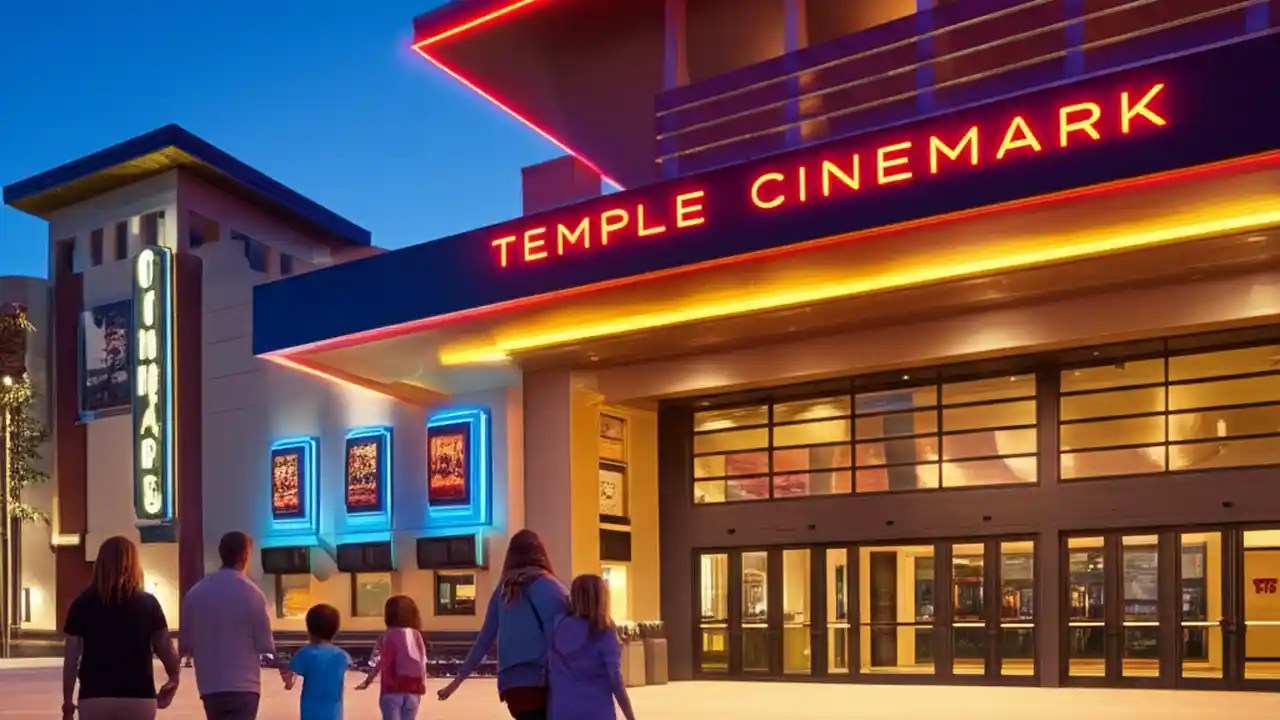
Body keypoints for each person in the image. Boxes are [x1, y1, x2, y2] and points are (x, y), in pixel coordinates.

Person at [438, 529, 569, 720]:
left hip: (512, 689)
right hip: (542, 683)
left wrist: (457, 681)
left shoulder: (502, 591)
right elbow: (565, 634)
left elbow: (484, 640)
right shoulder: (550, 586)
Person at [62, 536, 181, 720]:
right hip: (139, 698)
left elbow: (71, 659)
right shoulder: (149, 604)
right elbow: (166, 649)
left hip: (94, 698)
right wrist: (173, 678)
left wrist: (68, 703)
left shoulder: (81, 603)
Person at [180, 531, 275, 720]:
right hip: (244, 687)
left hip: (210, 686)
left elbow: (185, 644)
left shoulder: (196, 593)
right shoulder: (252, 594)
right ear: (244, 555)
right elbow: (265, 644)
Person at [549, 575, 637, 720]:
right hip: (596, 711)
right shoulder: (604, 632)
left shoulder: (558, 626)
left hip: (562, 710)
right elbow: (615, 678)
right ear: (601, 599)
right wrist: (630, 716)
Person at [356, 595, 428, 720]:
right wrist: (421, 684)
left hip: (391, 691)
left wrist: (368, 680)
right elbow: (422, 661)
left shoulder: (387, 636)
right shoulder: (416, 635)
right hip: (413, 691)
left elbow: (378, 661)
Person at [280, 604, 351, 720]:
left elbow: (290, 682)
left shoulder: (304, 653)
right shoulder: (342, 656)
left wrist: (286, 679)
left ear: (309, 629)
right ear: (335, 630)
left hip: (310, 713)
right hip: (334, 714)